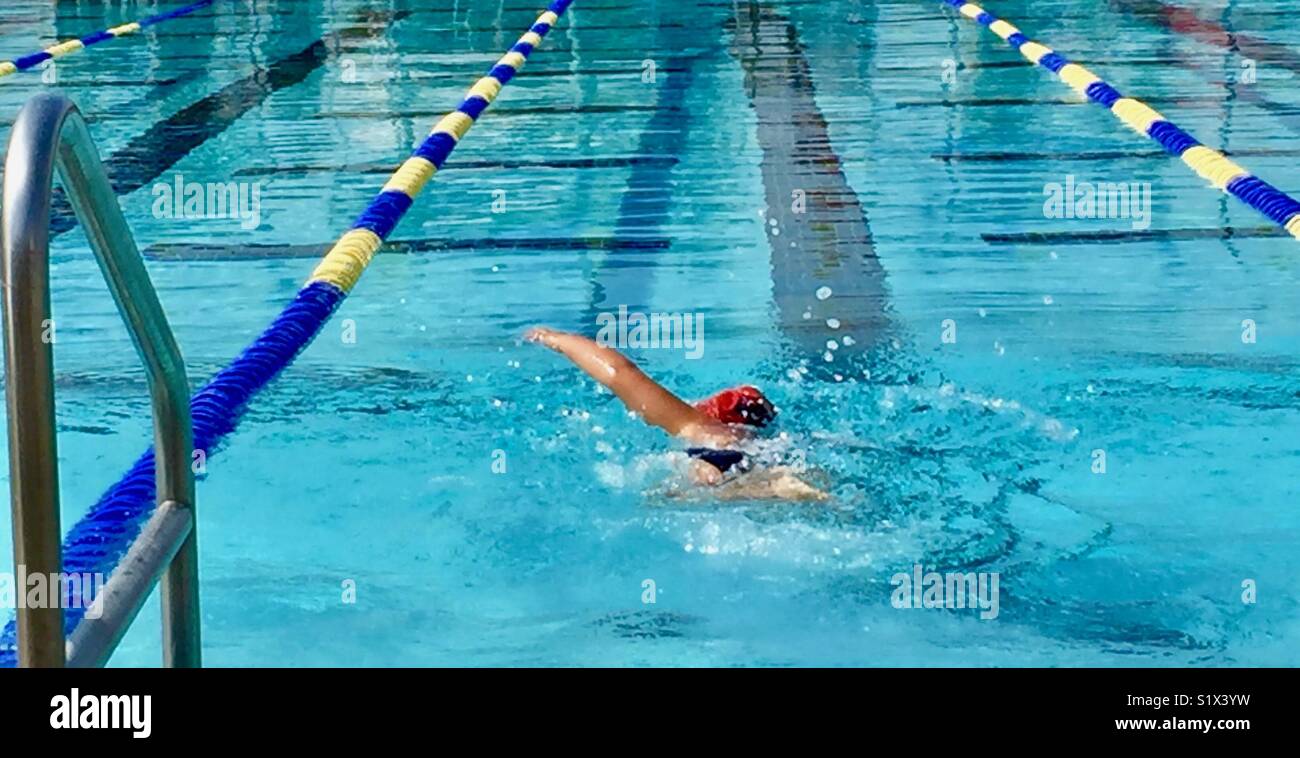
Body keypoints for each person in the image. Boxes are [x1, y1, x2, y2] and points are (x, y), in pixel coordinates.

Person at [525, 327, 829, 501]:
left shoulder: (695, 423)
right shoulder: (762, 437)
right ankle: (777, 485)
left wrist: (556, 339)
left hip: (713, 458)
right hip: (762, 457)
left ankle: (771, 488)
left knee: (668, 495)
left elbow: (619, 373)